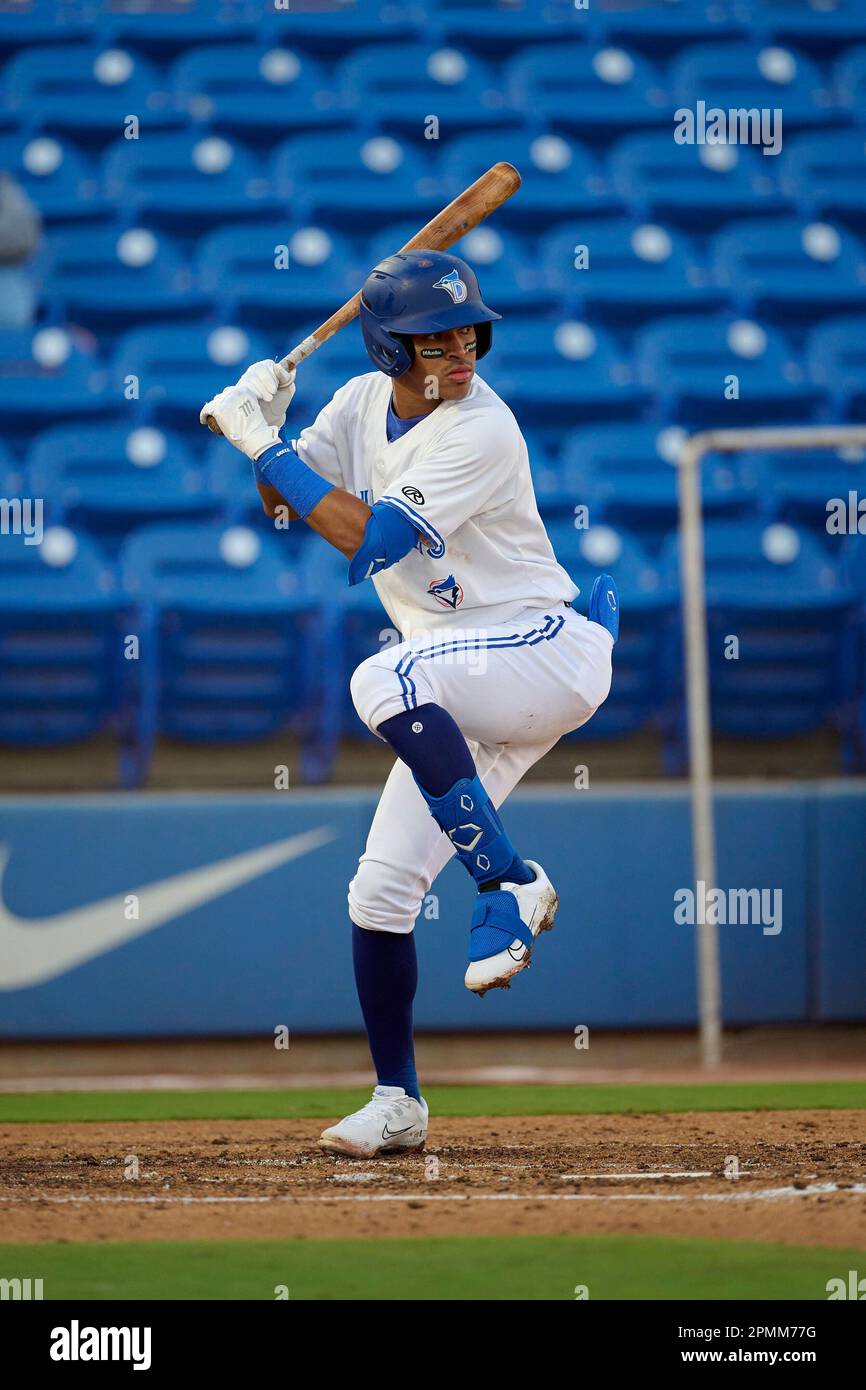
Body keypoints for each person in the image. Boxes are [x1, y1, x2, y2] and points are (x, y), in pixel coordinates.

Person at [200, 250, 618, 1158]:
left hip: (541, 648)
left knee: (380, 677)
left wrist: (258, 440)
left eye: (467, 328)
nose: (460, 346)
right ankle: (399, 1100)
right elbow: (287, 504)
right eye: (434, 334)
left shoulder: (482, 427)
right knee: (380, 892)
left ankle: (510, 879)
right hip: (465, 682)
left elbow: (367, 542)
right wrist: (266, 423)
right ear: (391, 347)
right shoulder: (355, 402)